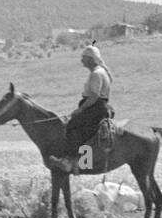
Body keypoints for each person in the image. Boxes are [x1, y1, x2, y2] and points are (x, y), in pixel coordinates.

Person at [48, 45, 113, 174]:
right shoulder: (100, 71)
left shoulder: (96, 73)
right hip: (98, 106)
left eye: (83, 57)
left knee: (71, 126)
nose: (81, 60)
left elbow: (94, 96)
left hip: (95, 108)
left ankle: (70, 161)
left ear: (91, 59)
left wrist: (80, 110)